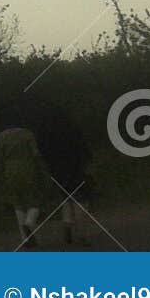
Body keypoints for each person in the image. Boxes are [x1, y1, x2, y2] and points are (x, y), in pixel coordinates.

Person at [30, 105, 95, 246]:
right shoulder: (74, 130)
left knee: (66, 198)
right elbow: (84, 150)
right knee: (81, 201)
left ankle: (67, 225)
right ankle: (82, 234)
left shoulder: (47, 133)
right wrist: (87, 164)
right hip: (76, 169)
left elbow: (43, 154)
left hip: (58, 172)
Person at [0, 126, 50, 248]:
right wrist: (42, 169)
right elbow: (35, 153)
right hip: (28, 168)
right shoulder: (27, 134)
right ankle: (29, 223)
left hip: (10, 170)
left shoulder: (1, 136)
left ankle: (25, 239)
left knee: (17, 203)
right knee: (35, 199)